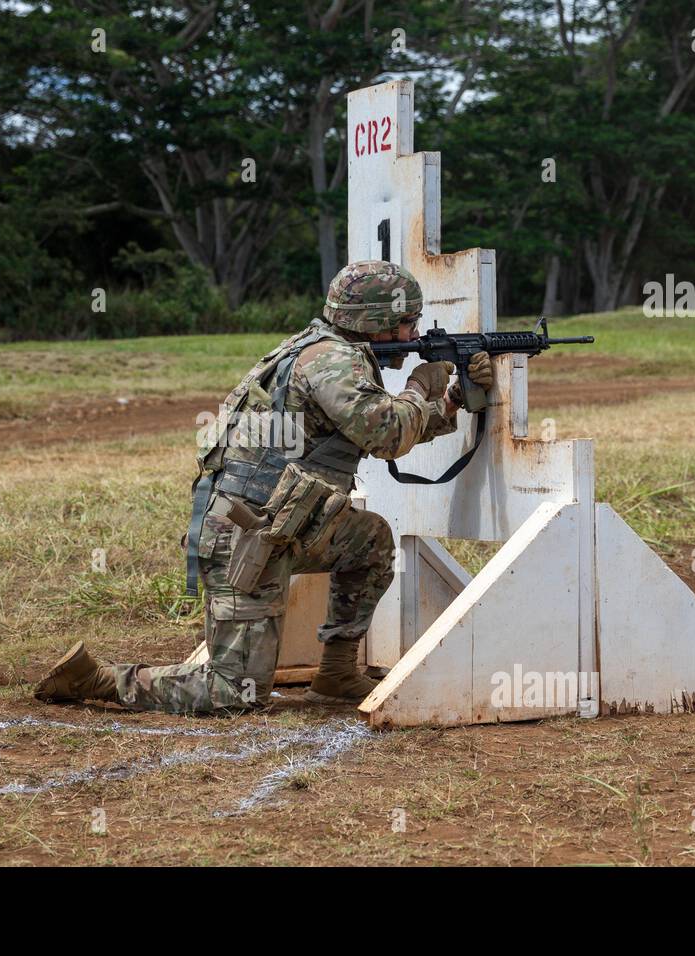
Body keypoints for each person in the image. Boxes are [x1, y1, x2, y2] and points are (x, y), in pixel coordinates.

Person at [35, 260, 493, 712]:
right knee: (232, 693)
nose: (412, 332)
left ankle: (336, 673)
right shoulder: (332, 361)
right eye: (407, 321)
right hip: (245, 540)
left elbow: (370, 430)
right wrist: (419, 386)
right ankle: (98, 678)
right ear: (377, 321)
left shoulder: (325, 350)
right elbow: (388, 435)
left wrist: (451, 401)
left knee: (370, 540)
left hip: (285, 527)